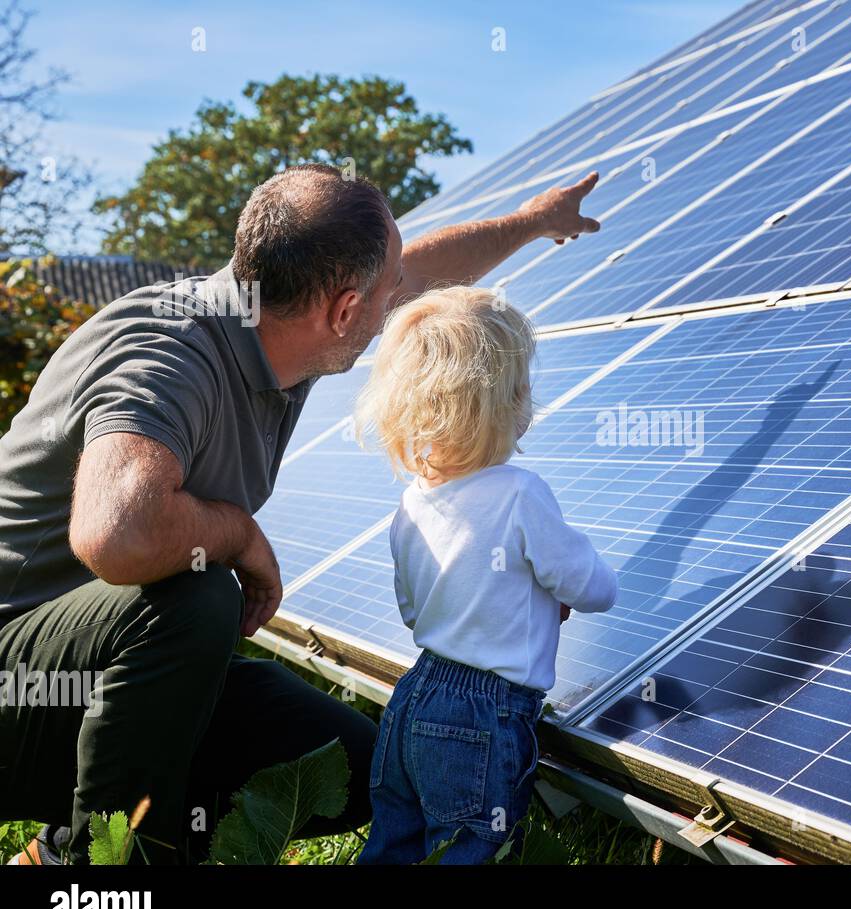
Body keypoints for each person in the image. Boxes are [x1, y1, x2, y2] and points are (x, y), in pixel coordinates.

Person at [0, 163, 601, 865]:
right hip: (20, 682)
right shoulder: (169, 355)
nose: (396, 304)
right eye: (385, 296)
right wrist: (238, 533)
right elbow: (117, 535)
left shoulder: (278, 323)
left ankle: (63, 847)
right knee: (193, 600)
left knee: (348, 770)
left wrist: (532, 220)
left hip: (94, 683)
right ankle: (97, 880)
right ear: (346, 312)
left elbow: (423, 272)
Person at [353, 287, 617, 864]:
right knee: (472, 850)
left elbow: (415, 609)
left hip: (414, 697)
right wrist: (565, 588)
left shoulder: (412, 505)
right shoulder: (521, 494)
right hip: (485, 713)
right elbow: (591, 587)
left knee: (393, 843)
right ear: (511, 401)